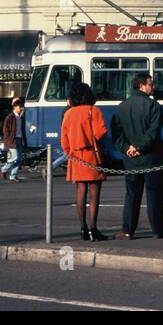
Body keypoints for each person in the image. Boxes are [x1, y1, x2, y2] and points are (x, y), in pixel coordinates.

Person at [111, 73, 163, 239]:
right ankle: (157, 230)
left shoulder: (121, 107)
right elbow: (153, 132)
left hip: (131, 160)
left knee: (132, 195)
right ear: (142, 86)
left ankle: (128, 229)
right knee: (154, 194)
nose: (153, 87)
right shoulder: (154, 106)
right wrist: (140, 147)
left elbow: (116, 133)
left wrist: (128, 148)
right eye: (150, 84)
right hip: (152, 157)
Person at [59, 83, 109, 241]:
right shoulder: (93, 111)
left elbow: (64, 140)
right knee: (95, 194)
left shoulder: (68, 113)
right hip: (91, 156)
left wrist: (70, 153)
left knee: (80, 192)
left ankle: (82, 228)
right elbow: (100, 133)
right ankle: (93, 229)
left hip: (76, 156)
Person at [0, 97, 29, 182]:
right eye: (20, 107)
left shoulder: (20, 118)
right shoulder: (10, 117)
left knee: (19, 159)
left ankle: (13, 176)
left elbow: (22, 130)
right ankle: (4, 170)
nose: (21, 108)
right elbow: (5, 130)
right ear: (15, 107)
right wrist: (8, 139)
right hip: (12, 140)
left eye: (22, 107)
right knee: (15, 157)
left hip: (19, 139)